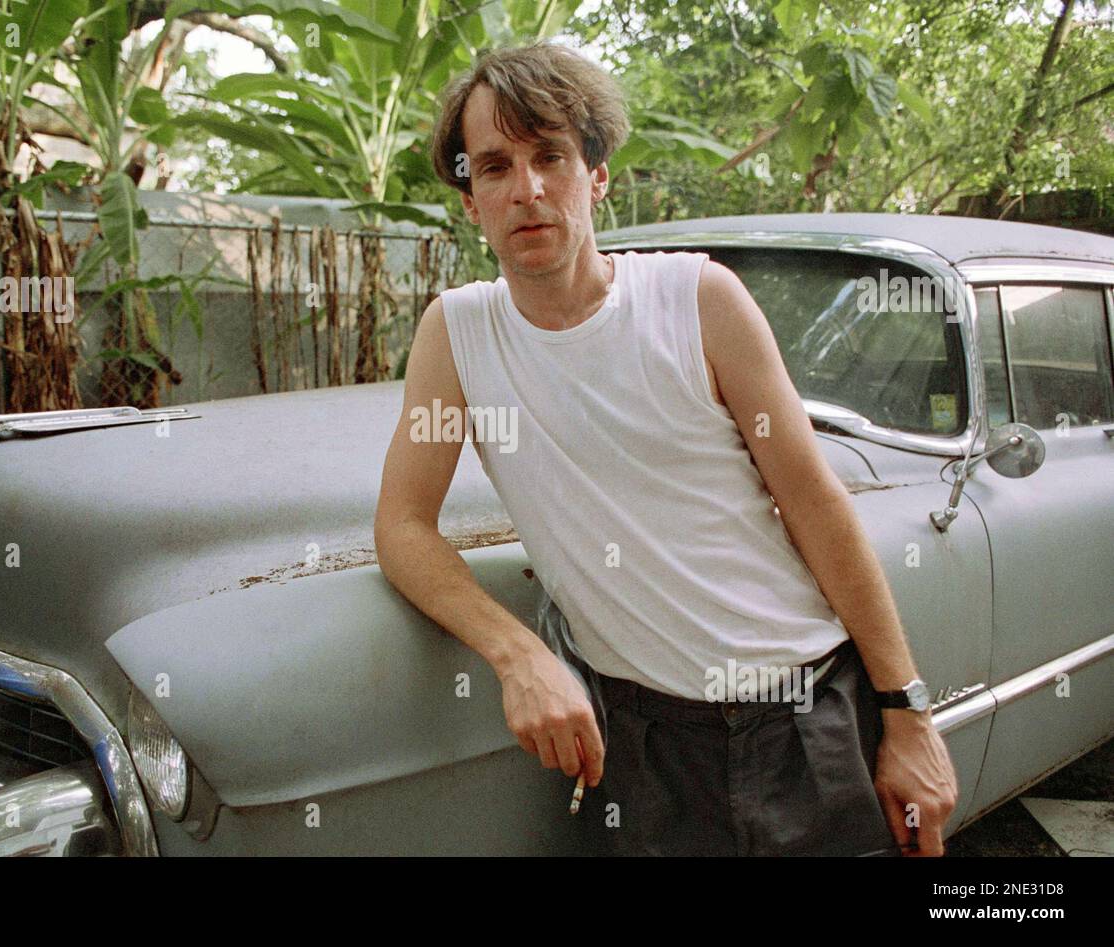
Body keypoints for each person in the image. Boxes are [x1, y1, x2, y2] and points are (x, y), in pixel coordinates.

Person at [373, 41, 958, 856]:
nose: (529, 188)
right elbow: (403, 524)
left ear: (598, 175)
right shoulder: (458, 334)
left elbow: (814, 500)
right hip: (643, 749)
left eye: (552, 156)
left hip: (808, 718)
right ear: (471, 199)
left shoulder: (698, 299)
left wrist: (909, 715)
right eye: (496, 166)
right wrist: (519, 654)